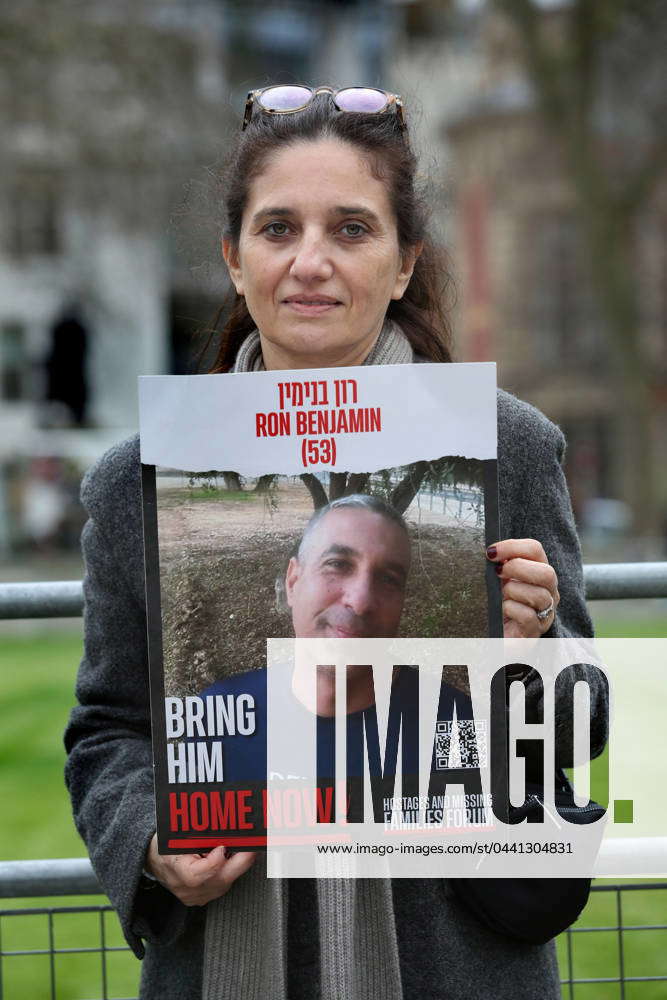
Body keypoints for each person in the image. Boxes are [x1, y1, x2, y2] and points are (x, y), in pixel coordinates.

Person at [65, 84, 608, 1000]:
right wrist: (153, 843)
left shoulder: (506, 445)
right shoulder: (139, 479)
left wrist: (534, 647)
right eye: (278, 229)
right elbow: (107, 728)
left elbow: (584, 722)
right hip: (228, 953)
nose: (310, 262)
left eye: (351, 230)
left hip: (451, 958)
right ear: (233, 261)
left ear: (404, 264)